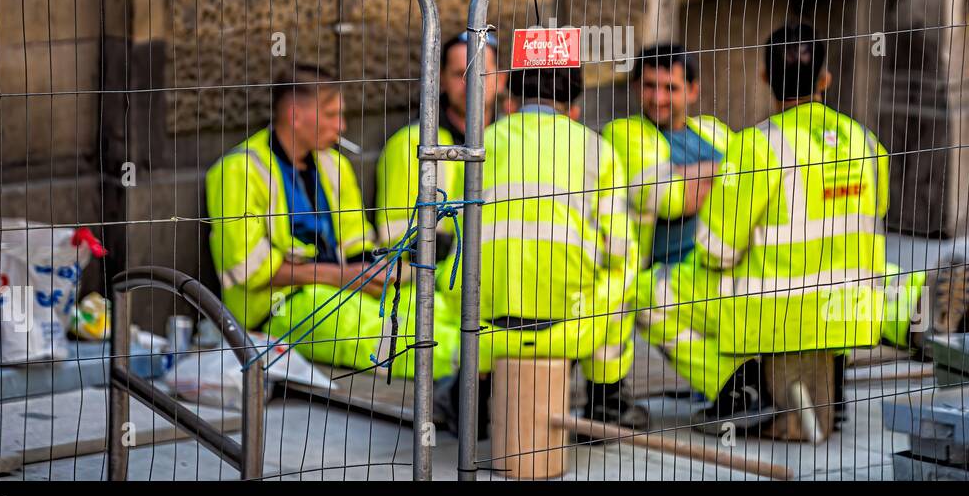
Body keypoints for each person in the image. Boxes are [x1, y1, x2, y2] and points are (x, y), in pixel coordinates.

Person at [634, 25, 969, 434]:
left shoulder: (758, 146)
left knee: (649, 294)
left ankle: (742, 391)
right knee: (869, 271)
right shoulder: (867, 143)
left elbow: (717, 250)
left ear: (764, 77)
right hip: (852, 315)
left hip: (780, 317)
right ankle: (910, 311)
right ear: (825, 79)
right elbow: (871, 220)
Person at [434, 65, 650, 433]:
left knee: (460, 278)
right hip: (571, 328)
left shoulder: (480, 145)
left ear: (511, 104)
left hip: (485, 331)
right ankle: (606, 401)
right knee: (622, 281)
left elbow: (446, 236)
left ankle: (469, 398)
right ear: (574, 110)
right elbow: (621, 252)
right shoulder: (598, 150)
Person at [206, 65, 454, 378]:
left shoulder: (334, 164)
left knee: (436, 306)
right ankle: (467, 368)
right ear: (296, 115)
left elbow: (357, 241)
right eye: (331, 115)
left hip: (340, 288)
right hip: (276, 308)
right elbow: (251, 271)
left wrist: (375, 271)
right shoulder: (237, 171)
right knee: (381, 330)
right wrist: (346, 277)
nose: (342, 125)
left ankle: (484, 361)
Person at [375, 32, 505, 283]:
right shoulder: (413, 142)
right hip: (430, 284)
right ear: (442, 80)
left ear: (501, 80)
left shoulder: (508, 141)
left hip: (497, 282)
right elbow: (398, 235)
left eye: (482, 73)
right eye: (459, 74)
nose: (471, 83)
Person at [602, 44, 732, 270]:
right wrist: (719, 171)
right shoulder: (623, 132)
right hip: (657, 280)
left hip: (716, 275)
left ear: (692, 90)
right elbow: (666, 199)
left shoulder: (715, 129)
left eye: (670, 88)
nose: (658, 98)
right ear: (635, 86)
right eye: (649, 86)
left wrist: (682, 175)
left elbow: (748, 188)